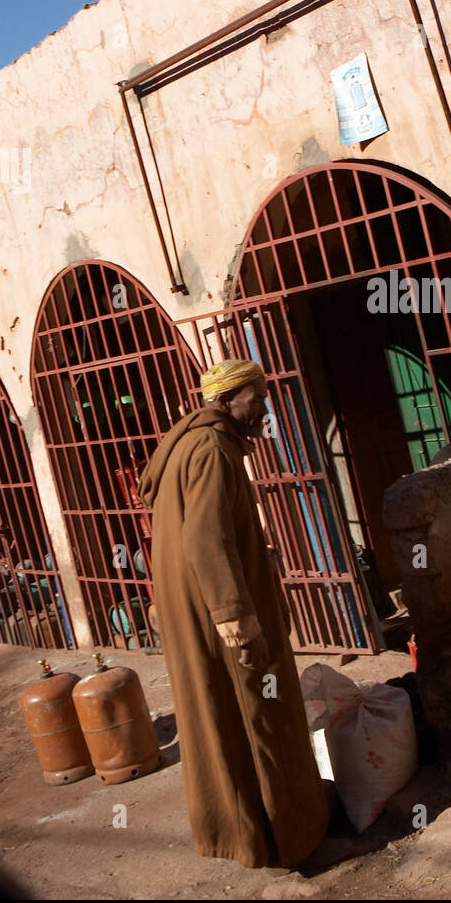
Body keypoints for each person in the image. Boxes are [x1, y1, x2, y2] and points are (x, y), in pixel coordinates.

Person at [138, 358, 327, 868]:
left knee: (220, 718)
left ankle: (247, 835)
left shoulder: (193, 443)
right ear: (225, 401)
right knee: (258, 710)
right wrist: (239, 624)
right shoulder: (213, 448)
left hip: (195, 610)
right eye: (256, 397)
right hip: (216, 612)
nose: (264, 408)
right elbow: (205, 539)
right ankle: (289, 839)